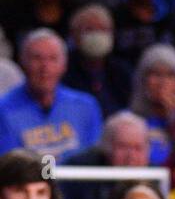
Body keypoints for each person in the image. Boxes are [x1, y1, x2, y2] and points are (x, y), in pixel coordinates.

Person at [0, 29, 103, 158]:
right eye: (37, 58)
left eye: (52, 59)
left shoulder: (86, 106)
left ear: (64, 65)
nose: (45, 67)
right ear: (22, 62)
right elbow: (8, 166)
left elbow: (94, 160)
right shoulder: (3, 110)